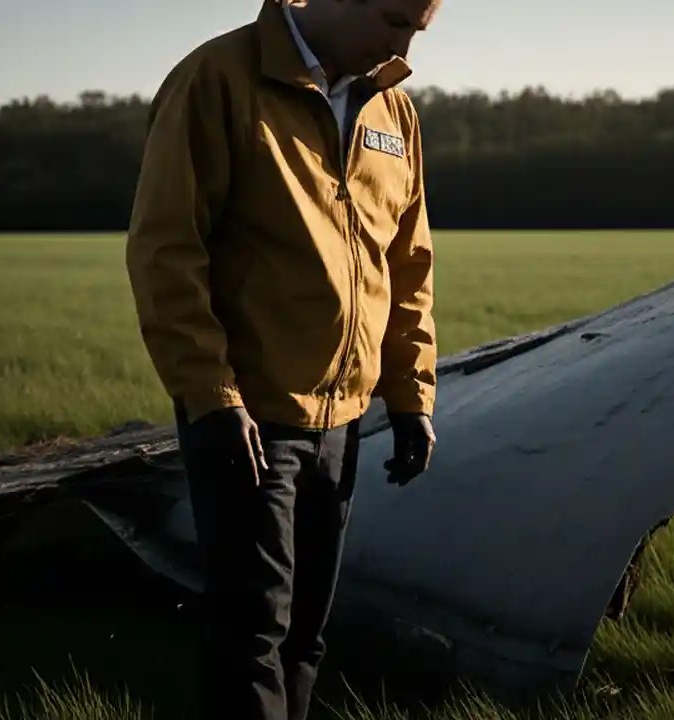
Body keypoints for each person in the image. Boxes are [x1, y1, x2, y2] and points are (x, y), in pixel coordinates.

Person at [125, 1, 441, 718]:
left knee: (304, 638)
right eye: (393, 20)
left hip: (344, 423)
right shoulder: (218, 78)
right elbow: (166, 252)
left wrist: (412, 395)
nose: (402, 45)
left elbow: (409, 264)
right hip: (248, 418)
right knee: (251, 640)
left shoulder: (393, 110)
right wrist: (212, 395)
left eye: (416, 29)